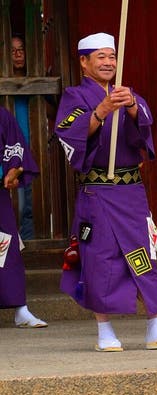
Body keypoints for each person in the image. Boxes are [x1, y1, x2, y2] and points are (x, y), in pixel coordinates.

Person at [55, 32, 157, 351]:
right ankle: (105, 331)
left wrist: (130, 109)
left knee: (144, 256)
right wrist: (99, 112)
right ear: (84, 62)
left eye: (112, 56)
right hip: (98, 193)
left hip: (130, 193)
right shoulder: (75, 96)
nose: (108, 62)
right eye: (100, 56)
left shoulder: (127, 93)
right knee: (99, 258)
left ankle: (155, 326)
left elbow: (145, 126)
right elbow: (68, 132)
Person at [0, 105, 47, 328]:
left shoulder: (1, 115)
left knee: (5, 248)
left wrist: (13, 168)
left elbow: (14, 145)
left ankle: (20, 309)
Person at [11, 35, 34, 242]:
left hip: (33, 150)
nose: (18, 55)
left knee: (31, 206)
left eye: (21, 49)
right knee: (14, 206)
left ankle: (28, 248)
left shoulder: (36, 83)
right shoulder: (4, 85)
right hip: (9, 153)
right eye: (12, 51)